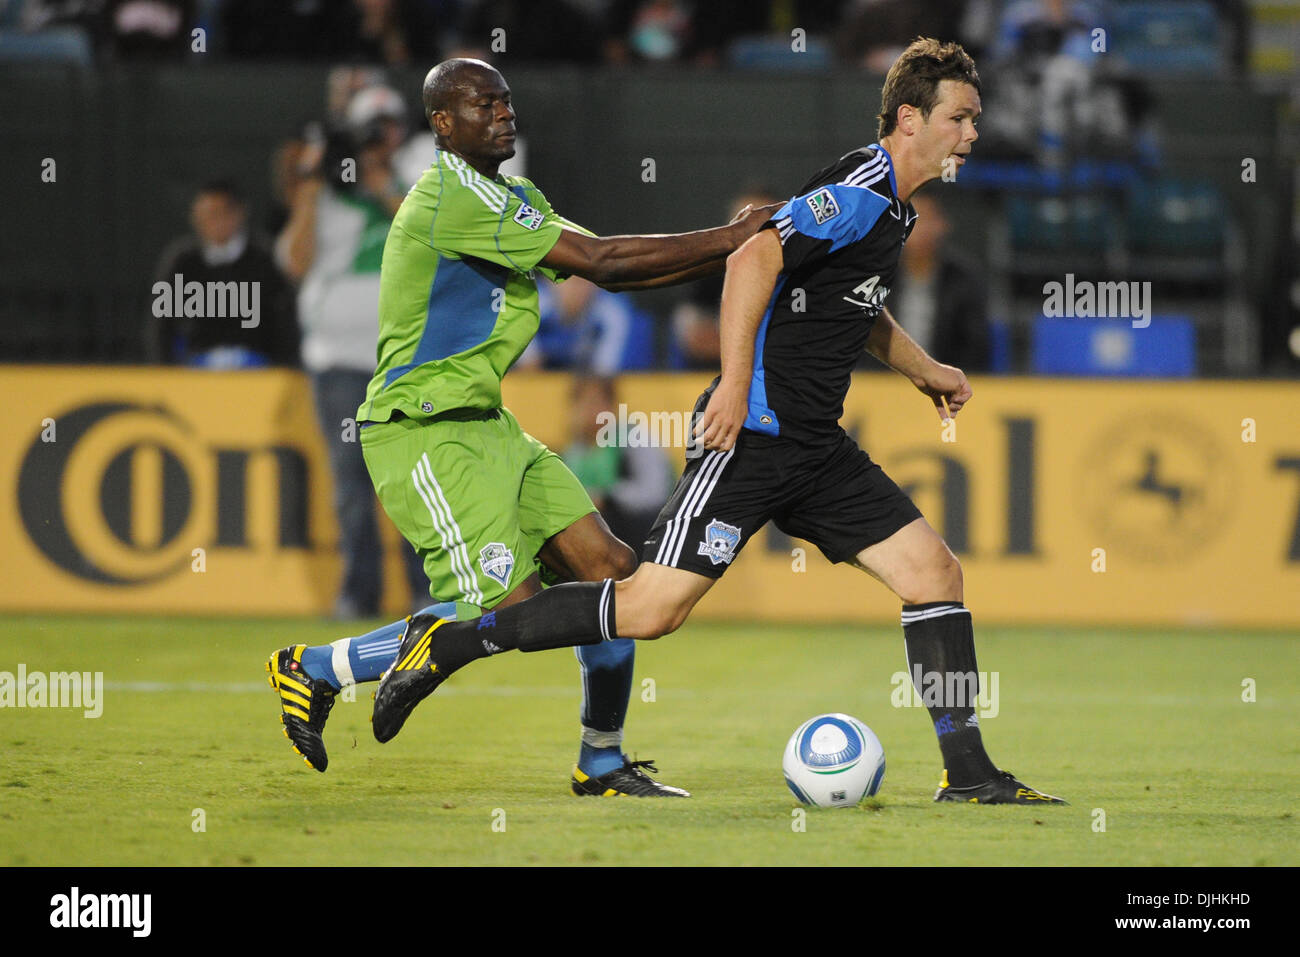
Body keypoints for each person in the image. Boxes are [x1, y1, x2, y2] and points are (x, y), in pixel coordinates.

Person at [370, 39, 1066, 806]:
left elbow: (851, 303)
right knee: (649, 609)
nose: (973, 134)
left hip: (816, 445)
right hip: (754, 435)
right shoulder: (863, 188)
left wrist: (921, 367)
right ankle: (451, 643)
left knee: (935, 572)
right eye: (961, 117)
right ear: (910, 118)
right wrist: (735, 387)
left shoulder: (892, 208)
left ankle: (967, 773)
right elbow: (753, 258)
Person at [266, 58, 776, 796]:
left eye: (506, 102)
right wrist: (730, 239)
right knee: (502, 609)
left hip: (491, 426)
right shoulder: (448, 197)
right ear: (442, 124)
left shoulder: (511, 195)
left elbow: (614, 266)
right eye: (484, 105)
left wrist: (731, 249)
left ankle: (601, 758)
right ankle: (315, 668)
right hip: (423, 431)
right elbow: (605, 261)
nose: (505, 115)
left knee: (609, 571)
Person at [277, 83, 428, 620]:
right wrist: (313, 184)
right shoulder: (326, 197)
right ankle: (358, 597)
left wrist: (383, 182)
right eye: (369, 131)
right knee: (350, 485)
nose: (378, 141)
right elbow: (295, 263)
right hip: (337, 360)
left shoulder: (420, 180)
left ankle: (424, 593)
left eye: (387, 129)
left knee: (413, 482)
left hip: (403, 359)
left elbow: (433, 237)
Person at [149, 179, 298, 368]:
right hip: (197, 367)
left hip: (258, 369)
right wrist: (166, 371)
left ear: (239, 214)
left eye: (219, 214)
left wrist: (281, 367)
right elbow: (161, 325)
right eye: (204, 215)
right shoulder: (182, 261)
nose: (212, 222)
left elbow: (284, 321)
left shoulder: (266, 258)